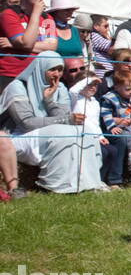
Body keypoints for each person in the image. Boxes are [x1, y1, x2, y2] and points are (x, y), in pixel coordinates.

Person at [0, 51, 102, 193]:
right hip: (19, 136)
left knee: (85, 132)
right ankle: (54, 185)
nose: (56, 74)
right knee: (60, 133)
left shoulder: (60, 88)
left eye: (60, 70)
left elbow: (64, 118)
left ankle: (88, 183)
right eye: (52, 69)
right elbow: (26, 123)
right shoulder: (18, 87)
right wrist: (65, 120)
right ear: (40, 68)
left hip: (45, 132)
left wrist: (49, 101)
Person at [0, 0, 57, 93]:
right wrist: (35, 13)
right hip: (11, 74)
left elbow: (52, 47)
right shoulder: (9, 14)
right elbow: (26, 43)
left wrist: (14, 45)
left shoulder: (47, 18)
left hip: (37, 75)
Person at [99, 71, 131, 187]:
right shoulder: (109, 98)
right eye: (127, 89)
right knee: (121, 139)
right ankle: (115, 180)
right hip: (113, 129)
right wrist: (112, 126)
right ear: (117, 87)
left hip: (130, 128)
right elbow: (105, 115)